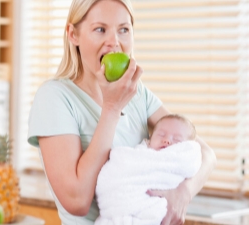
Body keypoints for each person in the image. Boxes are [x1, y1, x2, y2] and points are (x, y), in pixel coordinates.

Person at [27, 0, 217, 224]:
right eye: (100, 29)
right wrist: (112, 108)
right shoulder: (54, 97)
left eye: (123, 30)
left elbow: (205, 153)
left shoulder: (137, 93)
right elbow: (76, 201)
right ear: (73, 35)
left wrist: (183, 193)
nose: (114, 43)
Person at [95, 114, 202, 225]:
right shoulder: (136, 155)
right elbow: (117, 170)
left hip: (152, 212)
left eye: (177, 140)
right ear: (150, 138)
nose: (167, 140)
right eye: (161, 135)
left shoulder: (180, 161)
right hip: (117, 209)